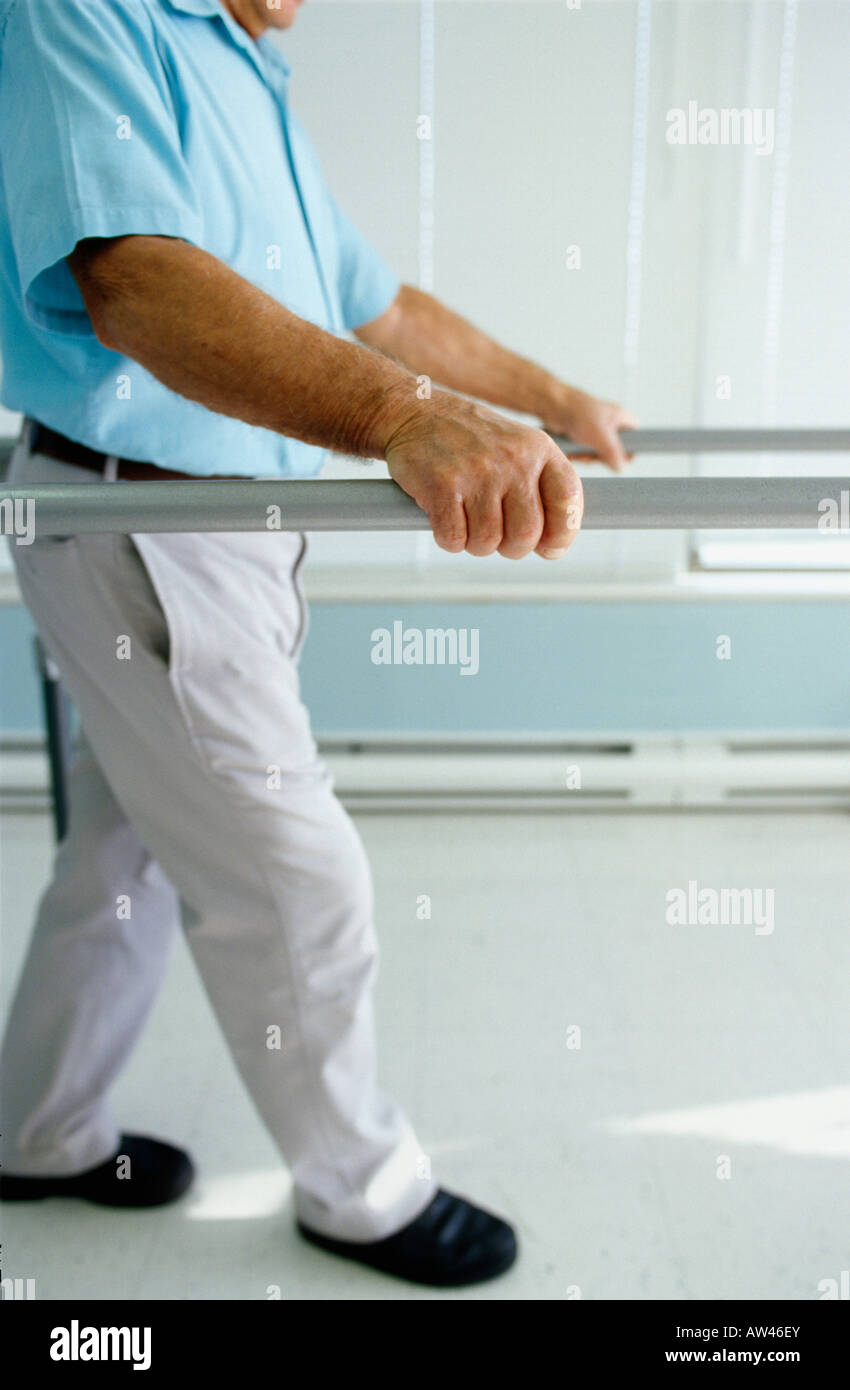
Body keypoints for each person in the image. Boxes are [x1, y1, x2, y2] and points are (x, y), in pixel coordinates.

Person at [0, 0, 636, 1288]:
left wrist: (550, 401)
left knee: (124, 850)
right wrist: (407, 420)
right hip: (143, 522)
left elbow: (374, 305)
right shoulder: (85, 14)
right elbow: (134, 281)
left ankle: (40, 1131)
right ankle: (361, 1189)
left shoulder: (245, 61)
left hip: (217, 531)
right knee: (300, 879)